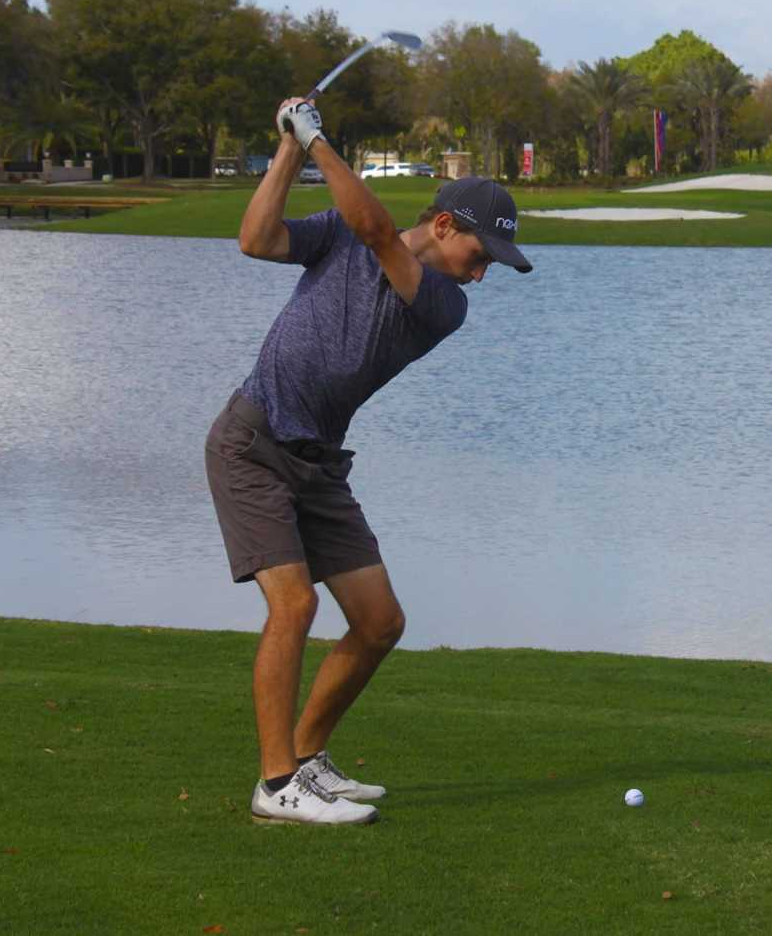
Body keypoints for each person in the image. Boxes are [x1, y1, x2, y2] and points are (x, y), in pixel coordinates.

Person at [205, 97, 532, 825]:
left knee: (380, 621)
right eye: (480, 257)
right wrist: (291, 144)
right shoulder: (339, 237)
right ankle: (276, 782)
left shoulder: (444, 302)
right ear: (445, 225)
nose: (481, 276)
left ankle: (309, 756)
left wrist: (317, 136)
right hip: (252, 443)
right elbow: (256, 239)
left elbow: (378, 228)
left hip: (319, 465)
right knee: (295, 603)